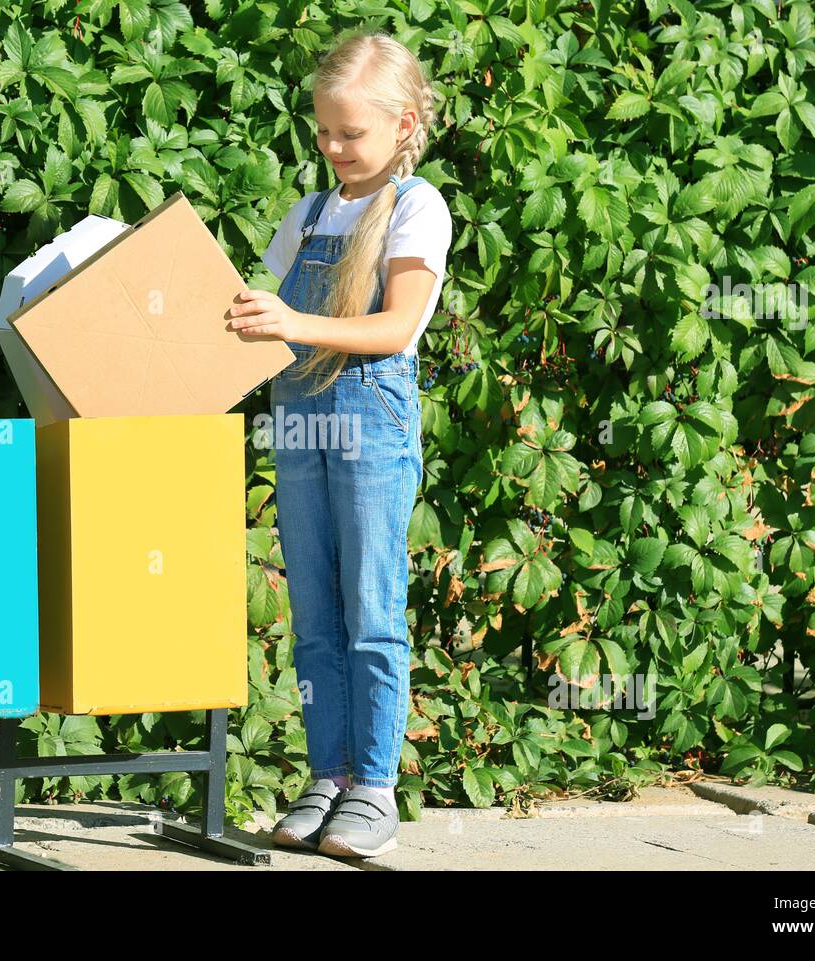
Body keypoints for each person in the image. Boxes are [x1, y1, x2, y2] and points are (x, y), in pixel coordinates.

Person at [227, 29, 453, 858]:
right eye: (323, 130)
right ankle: (328, 772)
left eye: (350, 133)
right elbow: (259, 312)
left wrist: (292, 321)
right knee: (315, 609)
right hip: (298, 419)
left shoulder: (417, 205)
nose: (332, 146)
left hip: (370, 418)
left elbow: (397, 327)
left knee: (370, 606)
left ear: (403, 123)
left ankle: (376, 785)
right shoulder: (310, 211)